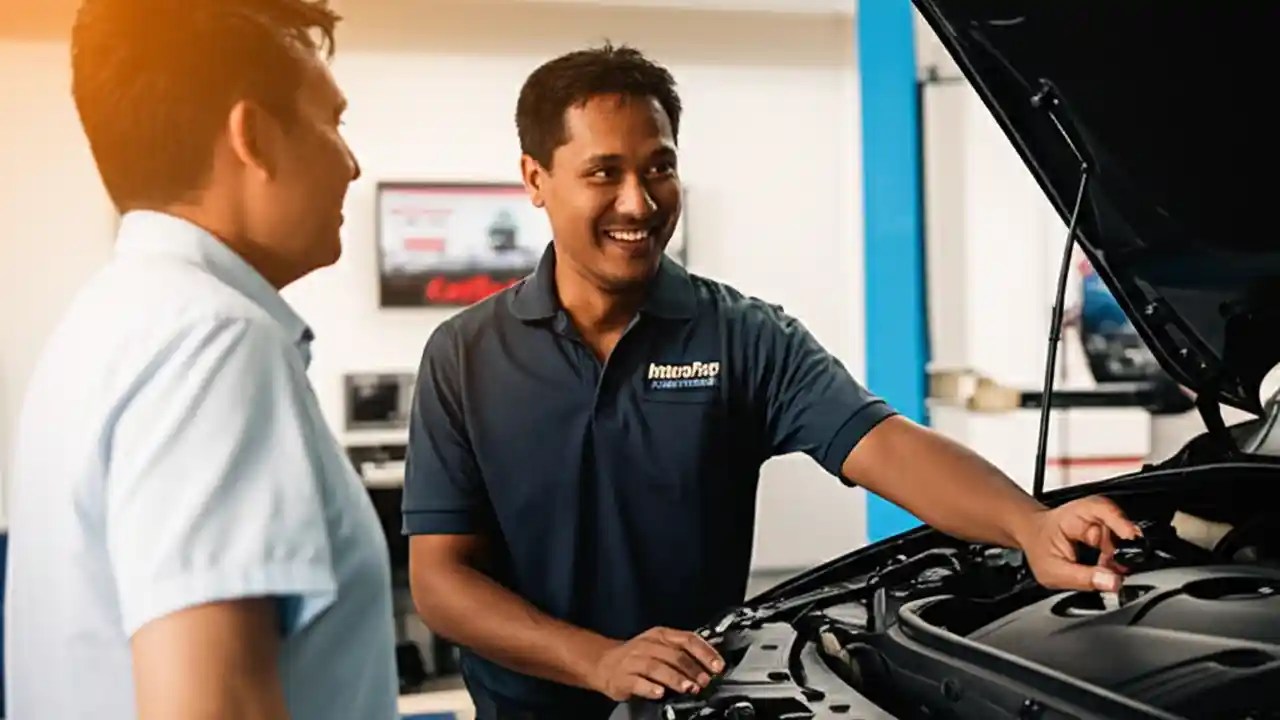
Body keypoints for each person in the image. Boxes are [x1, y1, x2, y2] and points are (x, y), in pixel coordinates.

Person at [402, 44, 1139, 719]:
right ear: (536, 179)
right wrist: (599, 661)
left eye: (658, 167)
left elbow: (885, 444)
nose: (639, 202)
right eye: (604, 173)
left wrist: (1028, 523)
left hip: (692, 708)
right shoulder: (463, 355)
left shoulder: (743, 336)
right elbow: (441, 581)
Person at [3, 1, 399, 718]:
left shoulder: (110, 319)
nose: (351, 162)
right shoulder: (214, 341)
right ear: (252, 138)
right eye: (332, 122)